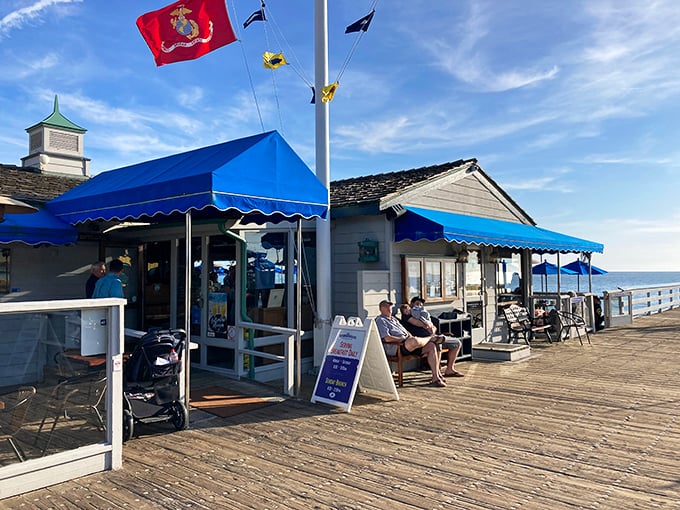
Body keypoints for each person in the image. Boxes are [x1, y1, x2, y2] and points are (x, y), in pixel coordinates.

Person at [375, 299, 447, 387]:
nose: (388, 308)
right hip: (397, 347)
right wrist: (401, 339)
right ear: (380, 309)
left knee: (431, 346)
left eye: (390, 306)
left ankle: (435, 378)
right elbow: (386, 338)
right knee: (416, 341)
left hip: (408, 344)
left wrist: (409, 336)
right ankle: (431, 338)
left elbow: (407, 332)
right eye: (385, 306)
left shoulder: (394, 319)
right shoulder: (380, 320)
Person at [400, 303, 464, 378]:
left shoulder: (421, 314)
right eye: (417, 304)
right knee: (437, 344)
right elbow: (421, 324)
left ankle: (450, 369)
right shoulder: (406, 317)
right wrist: (428, 325)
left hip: (434, 336)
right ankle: (437, 372)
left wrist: (432, 328)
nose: (419, 306)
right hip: (424, 341)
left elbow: (433, 326)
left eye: (420, 304)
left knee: (457, 343)